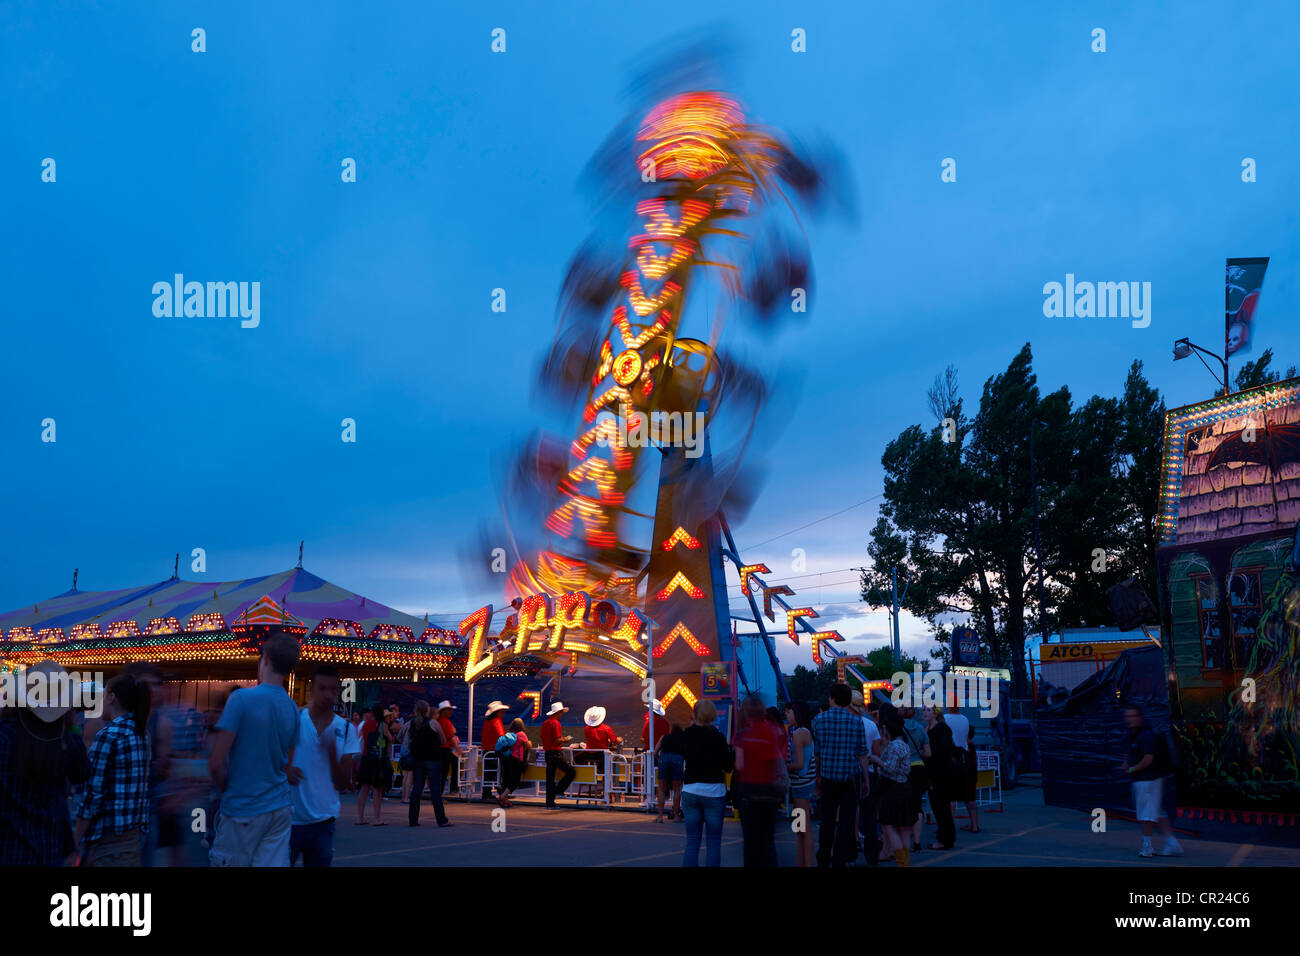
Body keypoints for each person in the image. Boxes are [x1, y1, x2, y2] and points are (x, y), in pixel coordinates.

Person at [207, 635, 301, 865]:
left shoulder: (241, 699)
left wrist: (227, 788)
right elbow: (287, 766)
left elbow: (215, 763)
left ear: (265, 660)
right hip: (279, 808)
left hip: (243, 808)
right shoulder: (292, 708)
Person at [0, 660, 91, 866]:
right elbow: (83, 774)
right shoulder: (65, 739)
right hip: (49, 849)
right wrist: (74, 727)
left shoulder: (5, 735)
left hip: (8, 850)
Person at [76, 672, 153, 866]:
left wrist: (75, 839)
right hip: (133, 835)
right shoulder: (143, 734)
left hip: (106, 838)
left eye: (103, 695)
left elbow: (93, 795)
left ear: (111, 698)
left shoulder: (108, 735)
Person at [286, 665, 360, 866]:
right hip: (289, 819)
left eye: (333, 689)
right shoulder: (294, 720)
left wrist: (331, 755)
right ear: (312, 689)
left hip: (323, 822)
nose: (328, 694)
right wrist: (285, 769)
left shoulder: (345, 729)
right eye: (322, 688)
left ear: (339, 691)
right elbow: (272, 758)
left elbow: (344, 783)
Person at [811, 683, 870, 867]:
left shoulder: (819, 720)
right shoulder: (856, 721)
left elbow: (817, 752)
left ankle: (823, 858)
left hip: (828, 778)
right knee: (846, 821)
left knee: (827, 820)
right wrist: (866, 780)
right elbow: (862, 754)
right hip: (850, 779)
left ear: (832, 698)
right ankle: (839, 859)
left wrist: (818, 776)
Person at [1122, 704, 1182, 858]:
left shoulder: (1146, 735)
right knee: (1157, 812)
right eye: (1127, 716)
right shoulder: (1132, 735)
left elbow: (1148, 759)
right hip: (1143, 780)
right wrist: (1127, 764)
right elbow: (1130, 754)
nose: (1130, 719)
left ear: (1139, 717)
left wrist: (1132, 769)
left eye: (1133, 716)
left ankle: (1147, 847)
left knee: (1147, 815)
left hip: (1148, 780)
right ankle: (1172, 843)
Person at [679, 699, 732, 867]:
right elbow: (728, 766)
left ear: (695, 715)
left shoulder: (686, 736)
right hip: (714, 791)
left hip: (691, 790)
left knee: (692, 842)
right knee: (714, 843)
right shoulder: (718, 737)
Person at [732, 695, 785, 867]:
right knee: (767, 840)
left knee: (751, 842)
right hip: (770, 792)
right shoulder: (774, 730)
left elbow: (739, 765)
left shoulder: (742, 734)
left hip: (749, 792)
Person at [871, 714, 914, 867]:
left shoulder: (895, 746)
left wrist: (877, 760)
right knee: (904, 830)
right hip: (905, 789)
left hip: (894, 790)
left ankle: (901, 862)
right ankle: (905, 862)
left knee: (890, 826)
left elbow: (890, 768)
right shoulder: (904, 744)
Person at [407, 701, 451, 828]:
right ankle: (441, 820)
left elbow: (407, 738)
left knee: (417, 789)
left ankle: (413, 819)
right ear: (427, 710)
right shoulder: (433, 723)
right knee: (435, 790)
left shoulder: (412, 723)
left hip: (418, 759)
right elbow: (443, 740)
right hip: (433, 759)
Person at [785, 699, 816, 868]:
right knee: (801, 829)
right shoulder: (805, 732)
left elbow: (799, 764)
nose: (787, 715)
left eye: (789, 712)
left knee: (803, 829)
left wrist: (783, 766)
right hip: (804, 784)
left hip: (800, 785)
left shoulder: (798, 734)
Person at [922, 705, 956, 850]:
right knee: (938, 807)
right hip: (932, 773)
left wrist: (927, 753)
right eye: (923, 710)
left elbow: (944, 751)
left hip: (940, 773)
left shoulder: (941, 729)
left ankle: (945, 839)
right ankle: (945, 837)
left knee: (942, 807)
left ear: (935, 714)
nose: (924, 712)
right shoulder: (928, 729)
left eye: (928, 710)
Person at [899, 705, 931, 853]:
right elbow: (928, 753)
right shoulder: (920, 728)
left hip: (903, 769)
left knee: (903, 804)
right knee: (917, 805)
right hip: (918, 767)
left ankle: (903, 840)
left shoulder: (896, 728)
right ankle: (917, 842)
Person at [944, 708, 980, 833]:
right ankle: (974, 825)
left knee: (951, 797)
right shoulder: (965, 720)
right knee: (970, 798)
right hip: (968, 768)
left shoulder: (945, 719)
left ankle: (950, 827)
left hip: (954, 762)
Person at [355, 706, 393, 825]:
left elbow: (360, 736)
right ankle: (377, 818)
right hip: (377, 760)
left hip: (366, 757)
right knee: (377, 789)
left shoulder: (366, 724)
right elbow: (390, 739)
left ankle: (360, 818)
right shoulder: (382, 725)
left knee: (364, 788)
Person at [541, 701, 576, 808]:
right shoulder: (556, 723)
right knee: (571, 771)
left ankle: (549, 803)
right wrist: (565, 739)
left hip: (547, 753)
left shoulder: (545, 723)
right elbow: (557, 740)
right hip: (555, 753)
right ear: (559, 712)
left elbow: (543, 737)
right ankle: (559, 790)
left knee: (550, 779)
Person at [654, 723, 686, 823]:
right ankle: (676, 816)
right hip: (677, 759)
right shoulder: (682, 739)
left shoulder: (664, 737)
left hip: (664, 759)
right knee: (677, 789)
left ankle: (660, 817)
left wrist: (660, 760)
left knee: (662, 788)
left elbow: (655, 752)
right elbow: (686, 753)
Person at [498, 718, 532, 807]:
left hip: (506, 758)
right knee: (515, 781)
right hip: (516, 759)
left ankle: (505, 800)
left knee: (507, 779)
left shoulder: (508, 734)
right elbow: (528, 746)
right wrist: (529, 743)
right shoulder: (521, 734)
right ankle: (502, 796)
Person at [481, 701, 510, 801]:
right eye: (502, 711)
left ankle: (487, 793)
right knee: (499, 772)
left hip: (486, 752)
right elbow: (501, 736)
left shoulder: (487, 722)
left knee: (488, 774)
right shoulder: (497, 721)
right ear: (497, 712)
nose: (503, 713)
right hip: (495, 752)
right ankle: (502, 792)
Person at [436, 701, 463, 796]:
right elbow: (450, 738)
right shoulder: (445, 722)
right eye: (449, 710)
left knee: (441, 771)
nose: (451, 712)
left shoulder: (438, 721)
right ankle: (442, 792)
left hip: (439, 749)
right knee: (444, 772)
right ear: (444, 711)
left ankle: (443, 791)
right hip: (444, 749)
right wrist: (458, 749)